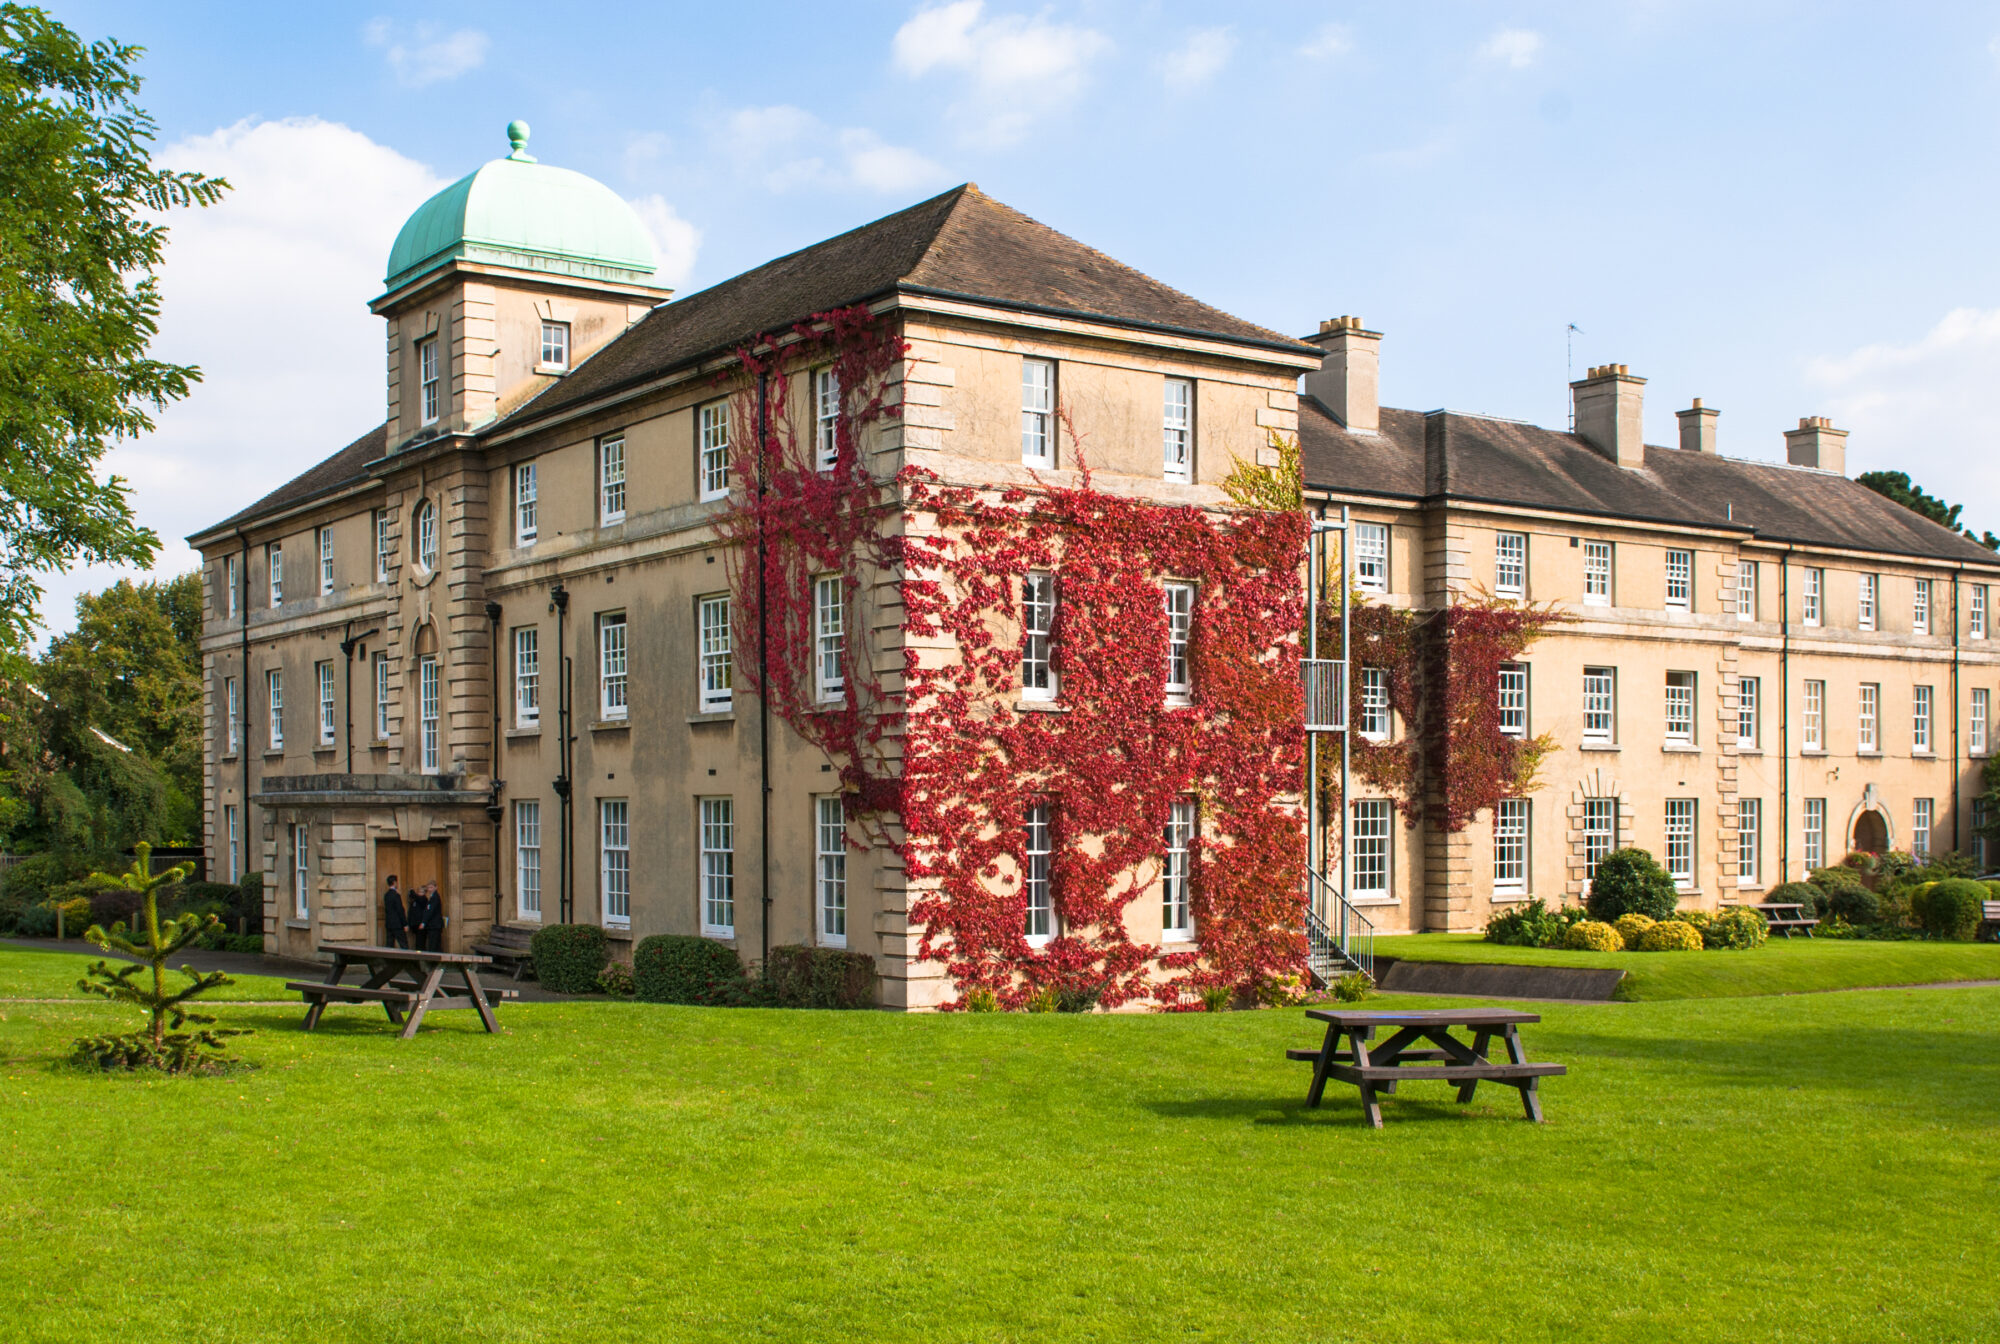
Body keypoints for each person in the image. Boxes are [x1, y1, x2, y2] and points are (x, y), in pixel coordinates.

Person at [381, 875, 408, 949]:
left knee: (389, 945)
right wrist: (405, 924)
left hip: (389, 924)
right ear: (394, 882)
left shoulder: (386, 895)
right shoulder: (396, 895)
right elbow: (400, 910)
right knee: (403, 944)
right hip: (397, 924)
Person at [420, 883, 446, 953]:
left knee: (434, 945)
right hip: (434, 925)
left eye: (431, 887)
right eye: (428, 888)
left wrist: (423, 922)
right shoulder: (432, 897)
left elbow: (430, 911)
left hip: (434, 925)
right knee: (434, 944)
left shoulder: (435, 897)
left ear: (436, 887)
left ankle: (433, 961)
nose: (430, 889)